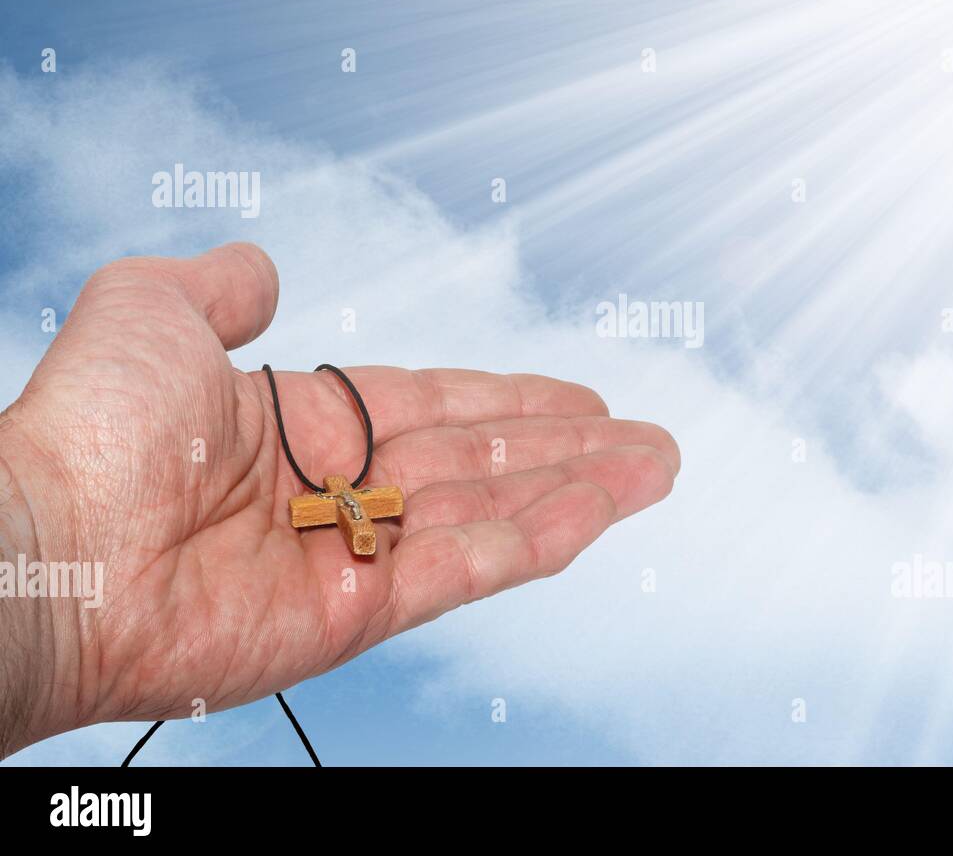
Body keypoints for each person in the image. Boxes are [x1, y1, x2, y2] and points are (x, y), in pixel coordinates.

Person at [0, 243, 679, 759]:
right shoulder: (322, 506)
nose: (357, 514)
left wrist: (53, 593)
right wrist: (53, 530)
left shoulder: (363, 501)